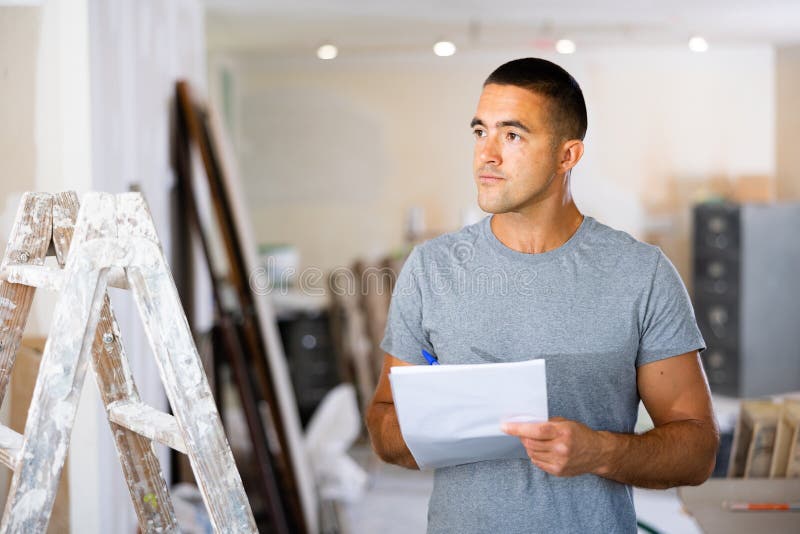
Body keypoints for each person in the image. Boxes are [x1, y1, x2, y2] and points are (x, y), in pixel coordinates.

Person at [365, 57, 719, 533]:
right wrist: (439, 427)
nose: (486, 154)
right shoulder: (432, 269)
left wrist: (601, 452)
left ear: (567, 156)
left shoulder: (642, 274)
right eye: (479, 132)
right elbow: (385, 422)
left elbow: (697, 450)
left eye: (512, 135)